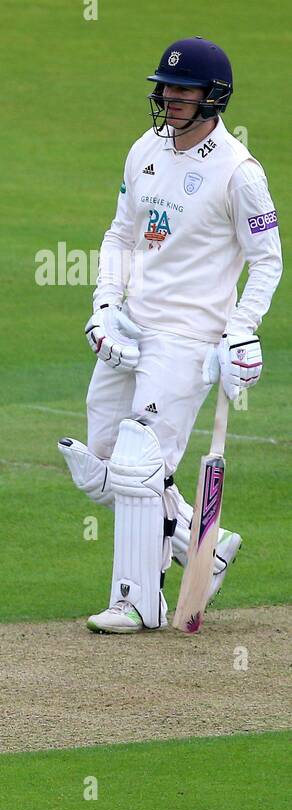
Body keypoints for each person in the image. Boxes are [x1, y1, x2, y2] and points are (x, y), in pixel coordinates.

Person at [59, 36, 280, 633]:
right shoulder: (144, 150)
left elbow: (268, 260)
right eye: (166, 87)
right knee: (105, 462)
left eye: (184, 89)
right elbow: (121, 236)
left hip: (187, 337)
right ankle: (200, 542)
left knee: (140, 467)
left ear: (215, 97)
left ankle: (138, 600)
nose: (170, 97)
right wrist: (105, 304)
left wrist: (241, 331)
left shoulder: (239, 172)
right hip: (132, 323)